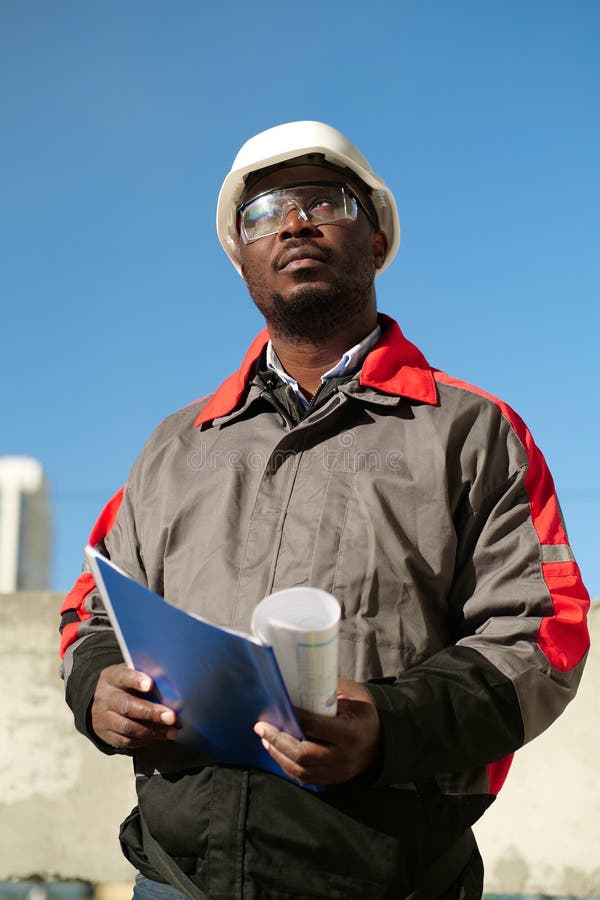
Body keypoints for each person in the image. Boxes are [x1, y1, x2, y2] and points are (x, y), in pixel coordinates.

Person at [60, 121, 590, 900]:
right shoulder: (174, 448)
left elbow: (544, 633)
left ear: (377, 242)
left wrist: (390, 725)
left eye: (323, 200)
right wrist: (99, 688)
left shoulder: (472, 432)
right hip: (180, 878)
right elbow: (90, 610)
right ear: (241, 261)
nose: (294, 222)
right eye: (264, 211)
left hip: (392, 876)